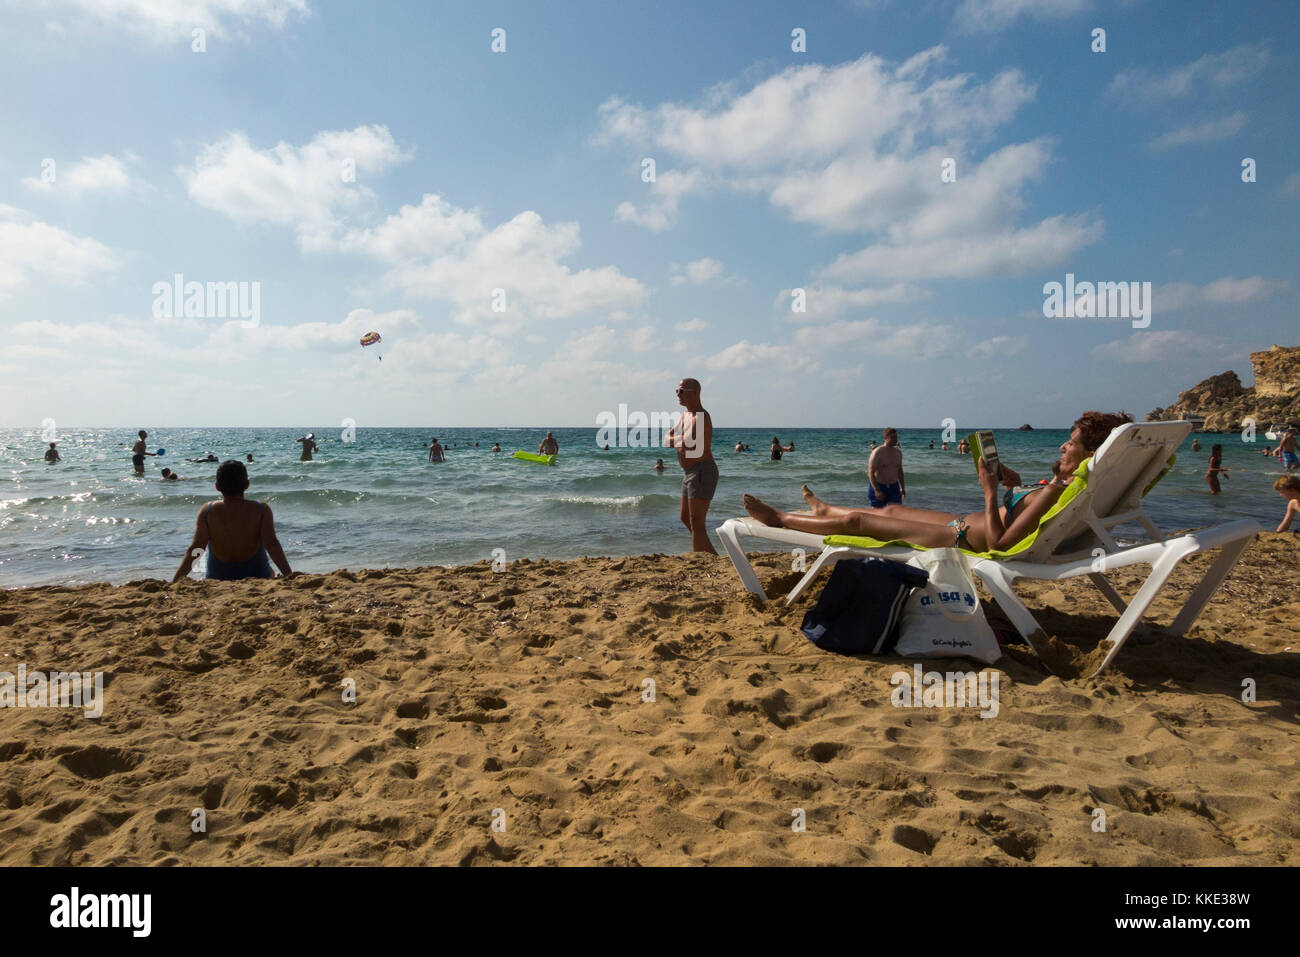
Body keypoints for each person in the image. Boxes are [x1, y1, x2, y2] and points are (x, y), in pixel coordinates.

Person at [743, 411, 1133, 553]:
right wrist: (1014, 486)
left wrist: (991, 490)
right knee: (891, 508)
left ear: (1088, 454)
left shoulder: (1056, 491)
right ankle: (824, 508)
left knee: (858, 524)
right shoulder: (1063, 487)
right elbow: (1024, 518)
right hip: (958, 524)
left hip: (958, 539)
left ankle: (779, 519)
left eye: (1073, 443)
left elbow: (999, 545)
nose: (1064, 445)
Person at [172, 460, 291, 582]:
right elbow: (272, 544)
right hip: (258, 574)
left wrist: (176, 580)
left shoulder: (208, 511)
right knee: (271, 572)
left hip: (218, 577)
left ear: (217, 486)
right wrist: (289, 574)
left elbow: (197, 547)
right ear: (247, 485)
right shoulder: (261, 509)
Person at [666, 377, 717, 554]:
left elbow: (689, 443)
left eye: (681, 391)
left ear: (695, 393)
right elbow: (666, 439)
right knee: (685, 518)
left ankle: (699, 560)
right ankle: (712, 556)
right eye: (676, 391)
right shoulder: (684, 416)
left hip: (703, 469)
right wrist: (680, 440)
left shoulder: (701, 417)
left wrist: (680, 440)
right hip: (689, 472)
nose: (678, 395)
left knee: (697, 523)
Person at [867, 427, 906, 508]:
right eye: (893, 437)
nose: (895, 439)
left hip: (894, 487)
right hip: (879, 486)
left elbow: (900, 471)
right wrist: (877, 490)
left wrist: (902, 488)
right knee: (878, 514)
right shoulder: (877, 452)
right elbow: (870, 472)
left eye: (896, 437)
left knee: (896, 512)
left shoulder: (898, 453)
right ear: (885, 438)